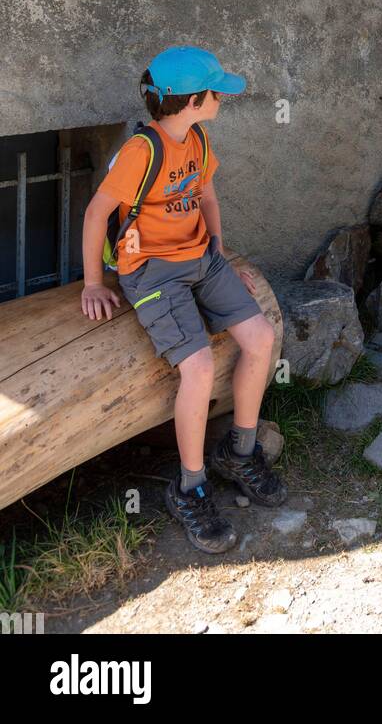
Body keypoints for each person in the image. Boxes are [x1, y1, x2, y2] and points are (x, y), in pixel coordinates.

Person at [81, 45, 287, 553]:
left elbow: (207, 198)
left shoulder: (196, 136)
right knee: (195, 367)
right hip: (150, 271)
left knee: (260, 337)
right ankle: (189, 486)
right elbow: (94, 215)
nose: (223, 97)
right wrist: (92, 283)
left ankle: (239, 452)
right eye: (216, 91)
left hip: (201, 259)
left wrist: (223, 259)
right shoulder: (140, 152)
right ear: (193, 99)